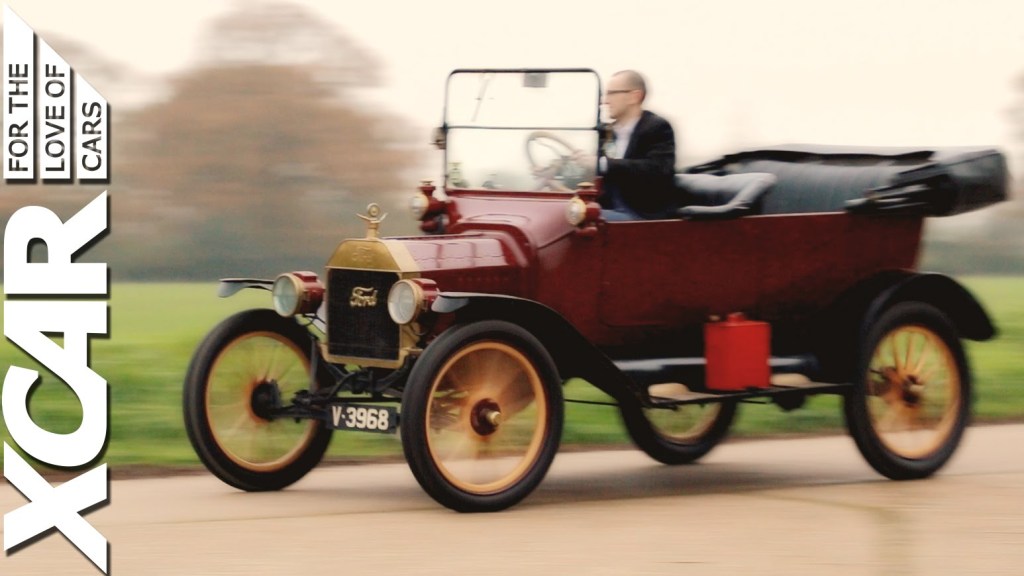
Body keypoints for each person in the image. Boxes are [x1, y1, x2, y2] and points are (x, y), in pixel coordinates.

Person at [597, 70, 678, 220]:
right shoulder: (606, 131)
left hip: (641, 214)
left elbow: (657, 169)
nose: (605, 101)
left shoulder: (657, 127)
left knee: (574, 221)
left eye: (612, 93)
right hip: (608, 207)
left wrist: (603, 164)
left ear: (634, 96)